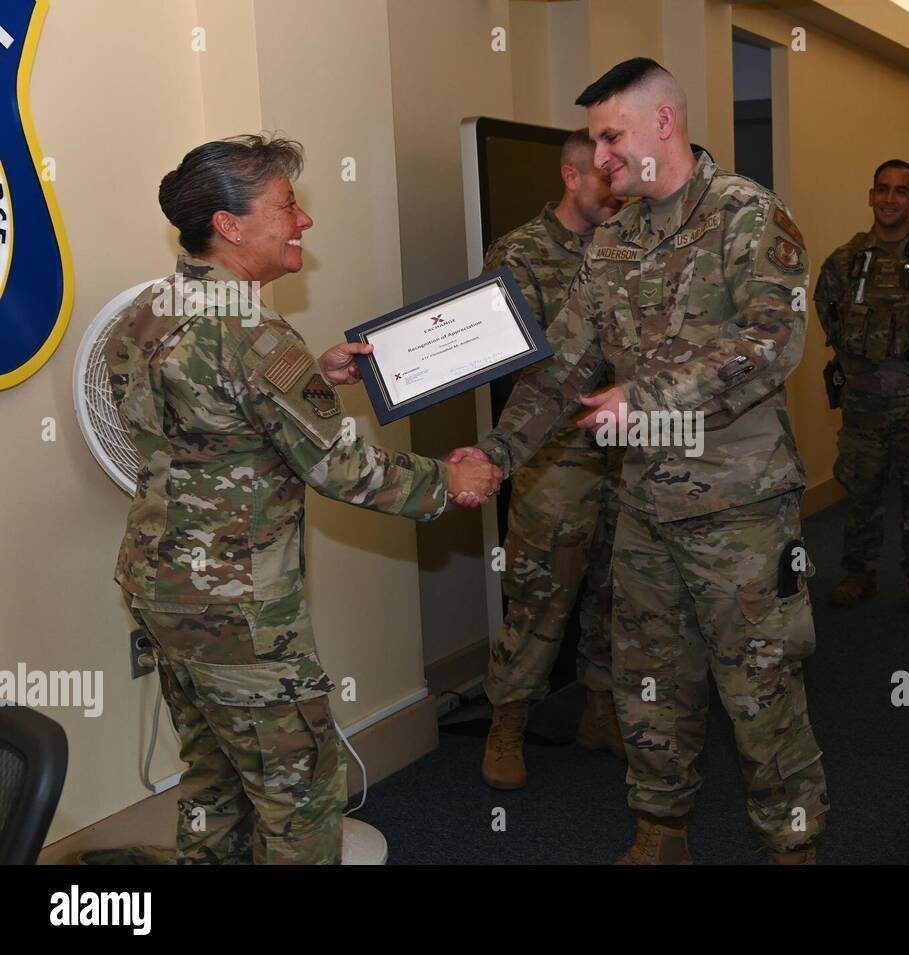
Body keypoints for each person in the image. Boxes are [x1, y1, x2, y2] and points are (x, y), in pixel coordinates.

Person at [454, 58, 828, 864]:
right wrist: (493, 454)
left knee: (759, 690)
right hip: (647, 508)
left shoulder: (746, 215)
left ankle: (792, 843)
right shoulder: (614, 240)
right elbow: (561, 369)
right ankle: (661, 831)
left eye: (611, 137)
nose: (600, 159)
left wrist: (647, 396)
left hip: (740, 510)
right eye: (593, 142)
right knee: (650, 683)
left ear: (665, 124)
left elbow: (773, 343)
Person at [107, 134, 500, 864]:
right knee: (302, 793)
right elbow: (338, 465)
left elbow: (208, 420)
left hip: (161, 587)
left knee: (214, 777)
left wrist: (312, 376)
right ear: (229, 225)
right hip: (240, 611)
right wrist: (450, 481)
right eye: (287, 205)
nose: (303, 221)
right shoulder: (251, 330)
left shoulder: (149, 309)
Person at [479, 130, 626, 789]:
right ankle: (506, 724)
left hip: (628, 450)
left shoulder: (633, 248)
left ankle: (599, 709)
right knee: (541, 596)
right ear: (571, 176)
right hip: (557, 453)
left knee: (617, 593)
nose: (616, 191)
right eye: (603, 179)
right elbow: (510, 360)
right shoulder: (520, 252)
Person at [814, 160, 909, 611]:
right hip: (862, 402)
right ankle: (859, 574)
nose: (890, 199)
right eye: (882, 190)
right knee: (860, 490)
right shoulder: (844, 262)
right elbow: (828, 315)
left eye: (901, 191)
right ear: (871, 195)